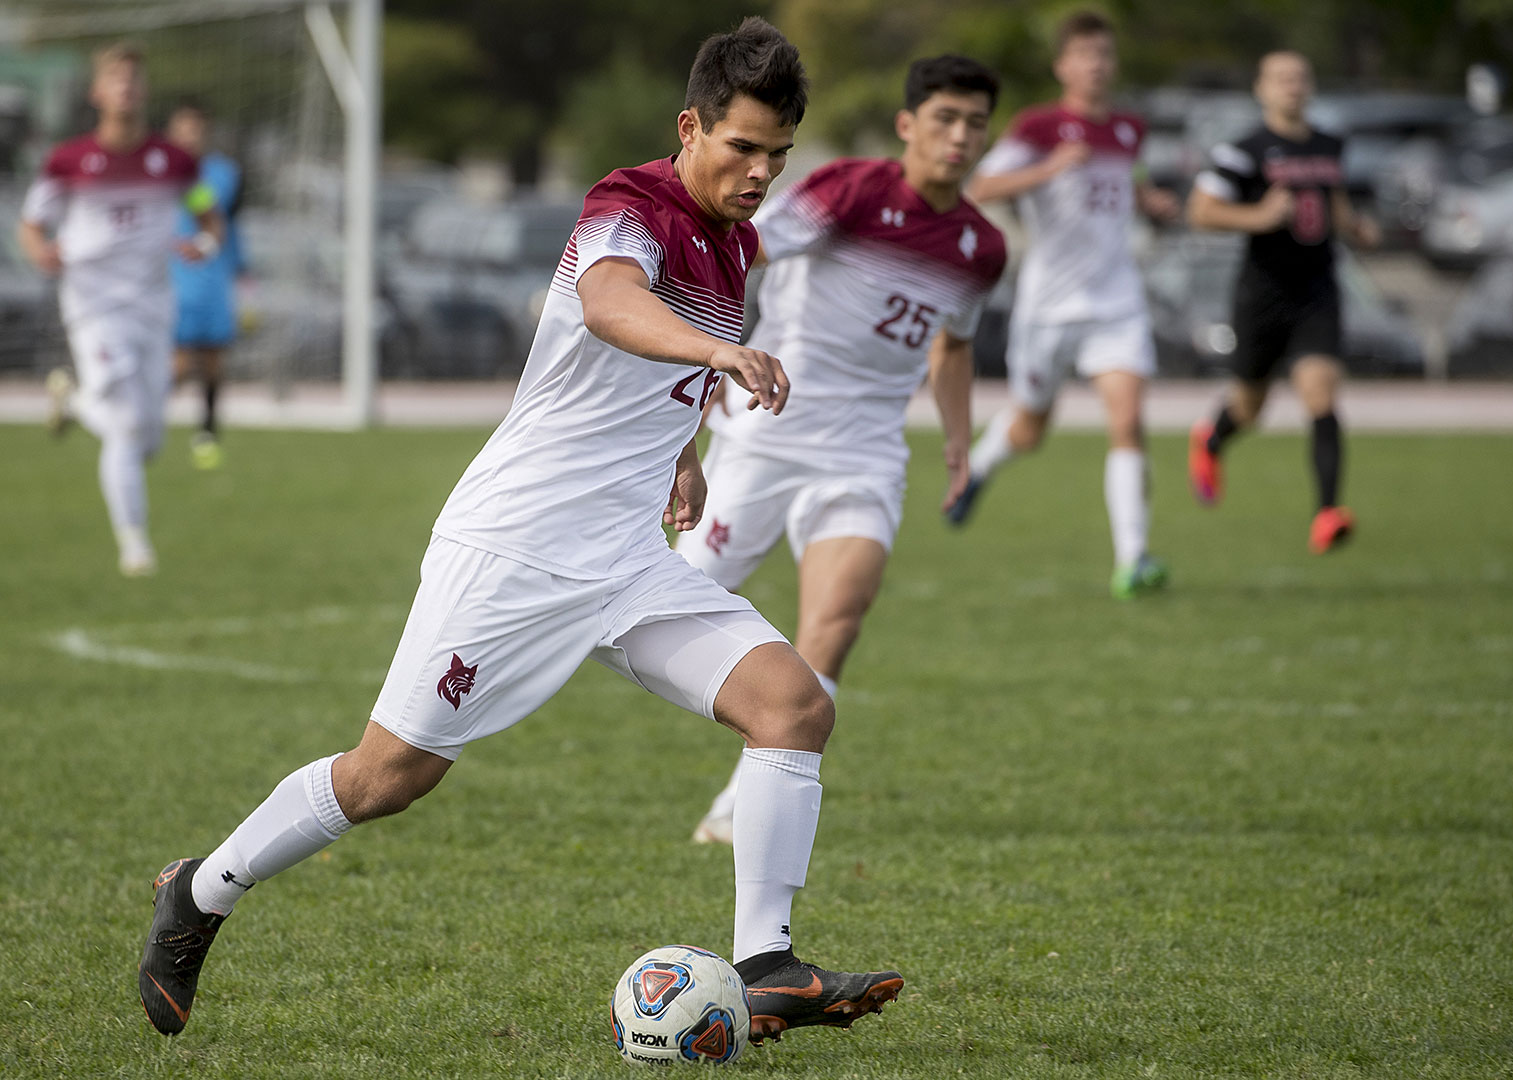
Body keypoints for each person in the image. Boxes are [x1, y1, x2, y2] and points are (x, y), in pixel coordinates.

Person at [136, 18, 903, 1046]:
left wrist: (684, 449)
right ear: (691, 126)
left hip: (627, 559)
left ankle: (765, 964)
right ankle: (201, 891)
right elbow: (609, 306)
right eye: (743, 148)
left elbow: (659, 368)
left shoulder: (736, 240)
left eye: (778, 154)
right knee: (390, 776)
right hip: (514, 547)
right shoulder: (627, 208)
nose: (762, 171)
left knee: (795, 709)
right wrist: (722, 360)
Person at [679, 55, 1007, 846]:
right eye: (944, 119)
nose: (959, 137)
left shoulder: (981, 247)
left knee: (836, 621)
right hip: (766, 429)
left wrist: (959, 442)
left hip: (864, 454)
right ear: (908, 125)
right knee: (666, 602)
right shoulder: (851, 190)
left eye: (974, 123)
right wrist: (711, 360)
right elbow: (738, 251)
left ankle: (741, 803)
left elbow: (953, 349)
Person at [945, 9, 1180, 600]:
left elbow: (1132, 183)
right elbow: (979, 187)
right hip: (1049, 305)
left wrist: (1152, 201)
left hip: (1117, 301)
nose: (1098, 66)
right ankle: (980, 469)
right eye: (1087, 56)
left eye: (1106, 56)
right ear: (1064, 66)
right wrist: (1049, 168)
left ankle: (1133, 559)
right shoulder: (1039, 127)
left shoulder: (1129, 129)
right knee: (1031, 427)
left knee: (1127, 421)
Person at [19, 42, 224, 577]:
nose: (126, 88)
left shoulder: (175, 162)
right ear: (97, 91)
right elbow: (31, 222)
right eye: (116, 79)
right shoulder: (68, 161)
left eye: (134, 79)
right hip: (92, 302)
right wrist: (39, 250)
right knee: (128, 429)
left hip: (153, 305)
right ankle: (134, 544)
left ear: (144, 90)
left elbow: (210, 220)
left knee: (148, 437)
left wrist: (201, 247)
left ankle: (75, 399)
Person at [1185, 50, 1380, 553]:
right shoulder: (1243, 150)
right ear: (1261, 89)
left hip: (1316, 290)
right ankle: (1210, 438)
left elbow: (1334, 206)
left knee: (1320, 392)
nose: (1292, 86)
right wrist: (1260, 216)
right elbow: (1201, 211)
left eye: (1300, 78)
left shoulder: (1329, 145)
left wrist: (1356, 228)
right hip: (1262, 295)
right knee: (1250, 406)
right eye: (1281, 78)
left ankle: (1326, 512)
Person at [167, 98, 244, 469]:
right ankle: (147, 423)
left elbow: (221, 223)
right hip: (172, 278)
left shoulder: (220, 175)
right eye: (183, 130)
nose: (190, 137)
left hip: (213, 278)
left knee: (212, 360)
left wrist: (243, 271)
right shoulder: (162, 172)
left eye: (196, 130)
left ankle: (207, 432)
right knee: (177, 363)